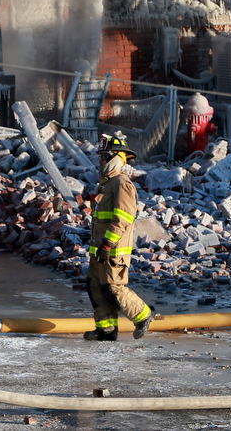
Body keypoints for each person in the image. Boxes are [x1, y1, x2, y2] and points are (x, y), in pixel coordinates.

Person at [84, 135, 156, 342]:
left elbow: (122, 219)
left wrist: (107, 243)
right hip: (99, 250)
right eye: (100, 157)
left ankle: (143, 315)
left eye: (104, 157)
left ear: (116, 158)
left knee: (113, 288)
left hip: (113, 250)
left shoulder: (122, 184)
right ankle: (106, 330)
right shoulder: (106, 184)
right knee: (95, 287)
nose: (100, 161)